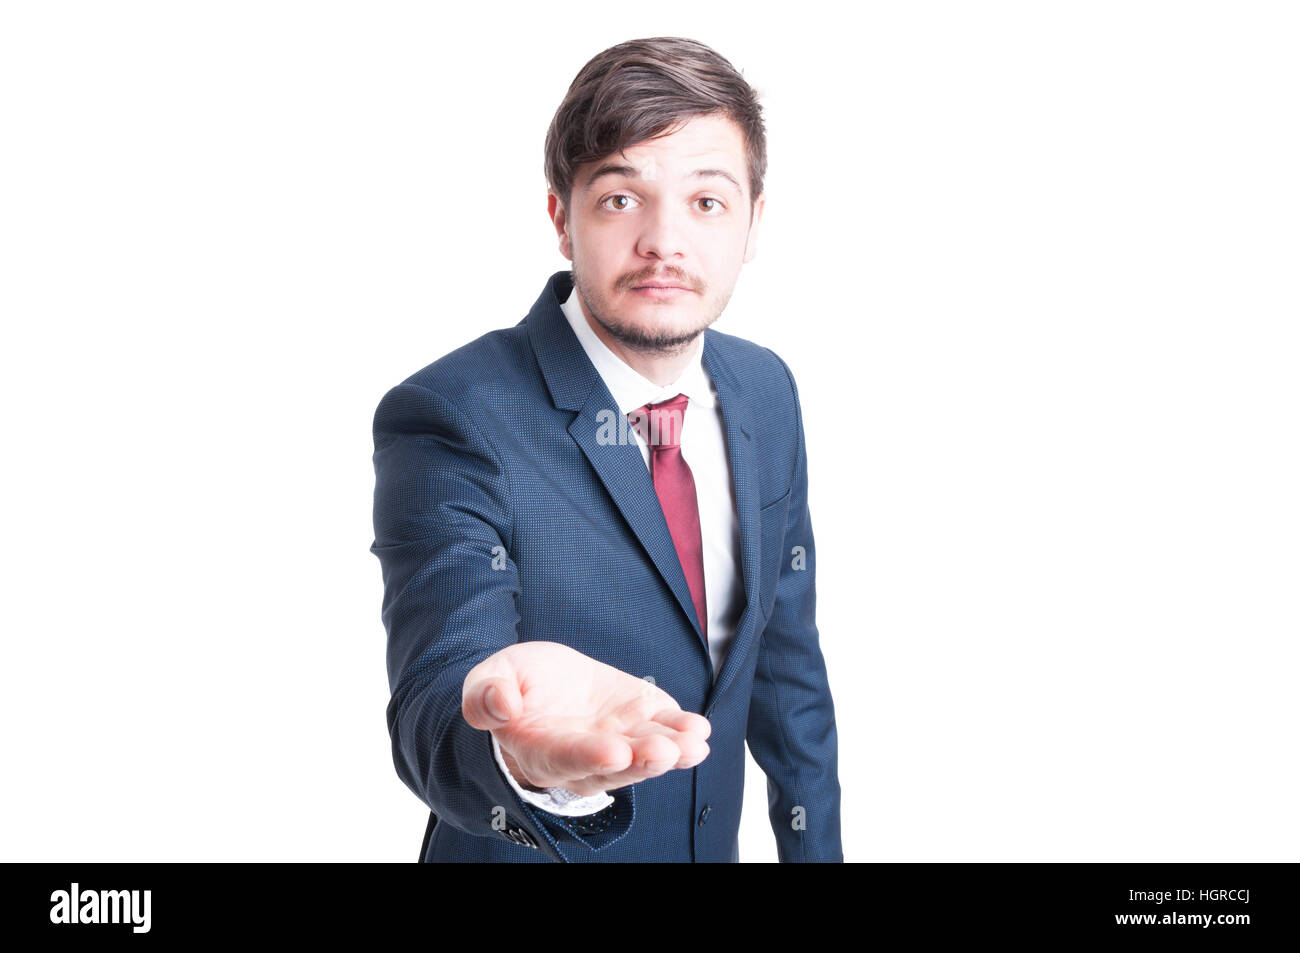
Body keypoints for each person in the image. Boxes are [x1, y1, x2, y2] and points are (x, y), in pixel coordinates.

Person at [370, 36, 842, 862]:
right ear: (562, 217)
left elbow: (787, 673)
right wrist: (517, 753)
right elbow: (436, 700)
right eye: (622, 198)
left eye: (707, 202)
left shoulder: (767, 391)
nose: (665, 241)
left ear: (753, 223)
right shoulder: (449, 417)